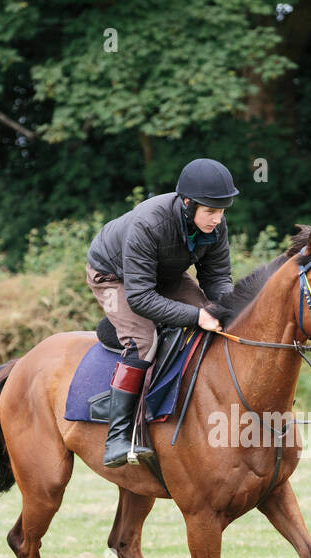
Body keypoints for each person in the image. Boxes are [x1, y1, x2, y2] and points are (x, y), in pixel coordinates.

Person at [85, 158, 239, 467]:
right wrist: (196, 316)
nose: (217, 219)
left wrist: (225, 310)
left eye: (222, 211)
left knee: (214, 321)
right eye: (210, 211)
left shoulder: (215, 225)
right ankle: (118, 437)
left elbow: (216, 278)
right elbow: (141, 297)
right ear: (187, 203)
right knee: (144, 339)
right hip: (113, 275)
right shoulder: (149, 223)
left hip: (164, 274)